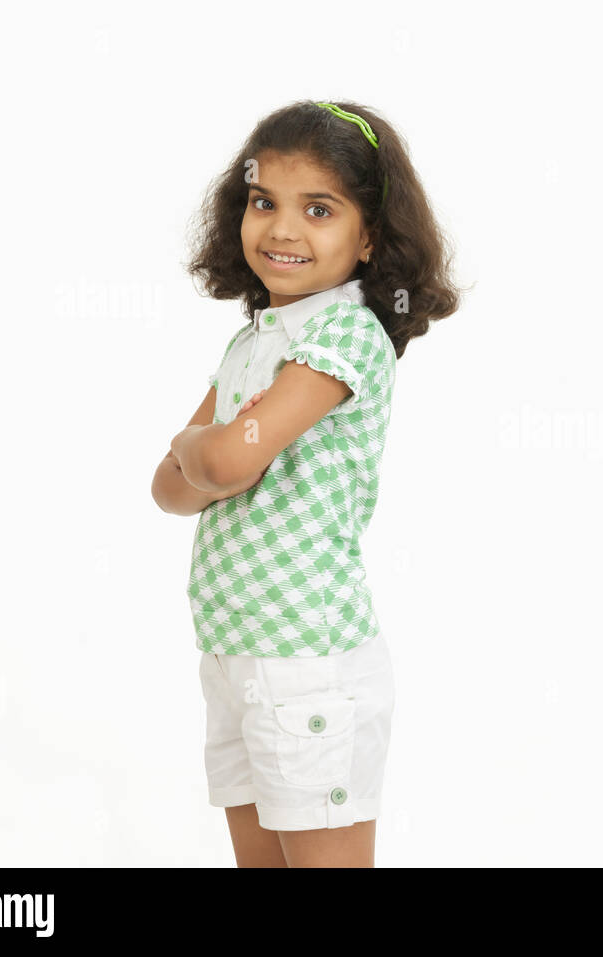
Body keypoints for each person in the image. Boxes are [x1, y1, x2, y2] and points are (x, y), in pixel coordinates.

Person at [151, 99, 459, 867]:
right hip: (234, 651)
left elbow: (217, 464)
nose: (282, 229)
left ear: (369, 239)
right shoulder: (255, 340)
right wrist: (210, 451)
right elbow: (169, 490)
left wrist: (199, 444)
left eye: (317, 209)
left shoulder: (346, 332)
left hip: (306, 666)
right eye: (264, 203)